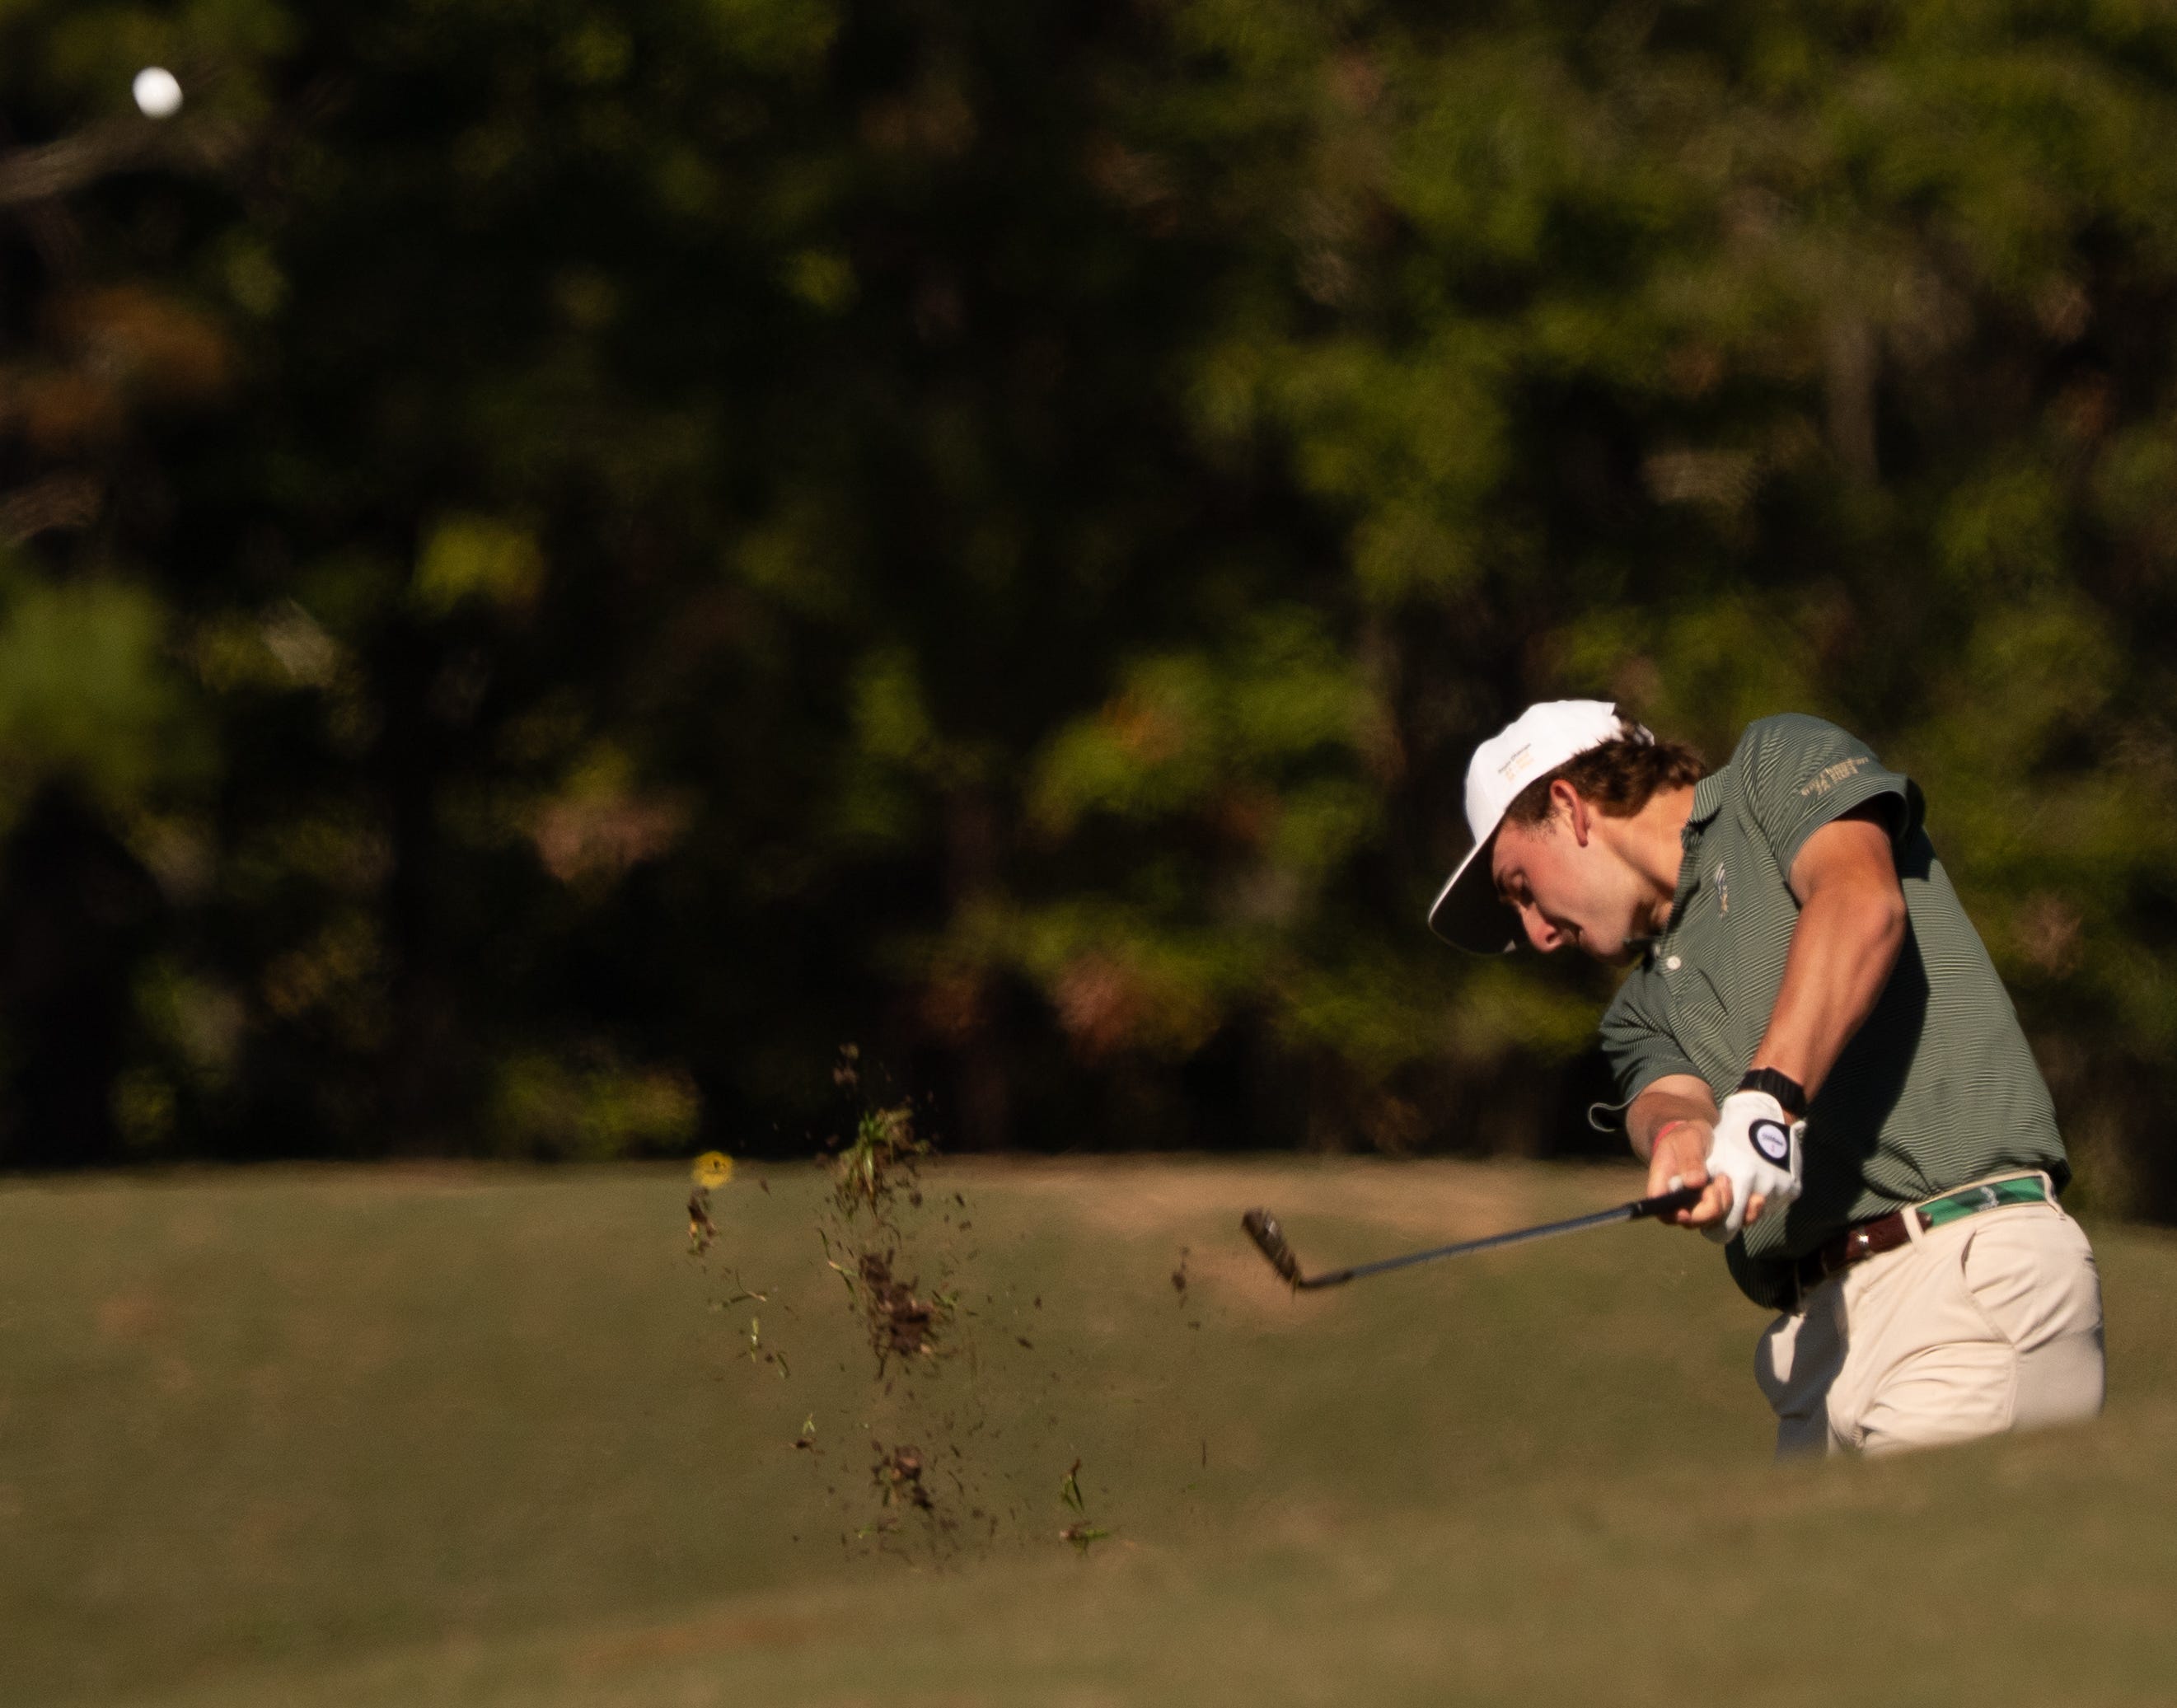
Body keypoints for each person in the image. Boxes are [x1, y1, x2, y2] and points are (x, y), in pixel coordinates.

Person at [1428, 700, 2105, 1456]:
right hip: (1814, 1353)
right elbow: (1667, 1096)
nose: (1537, 934)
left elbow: (1860, 901)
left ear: (1568, 807)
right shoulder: (1638, 1009)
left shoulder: (1773, 768)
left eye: (1521, 886)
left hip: (1962, 1277)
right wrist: (1682, 1143)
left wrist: (1767, 1100)